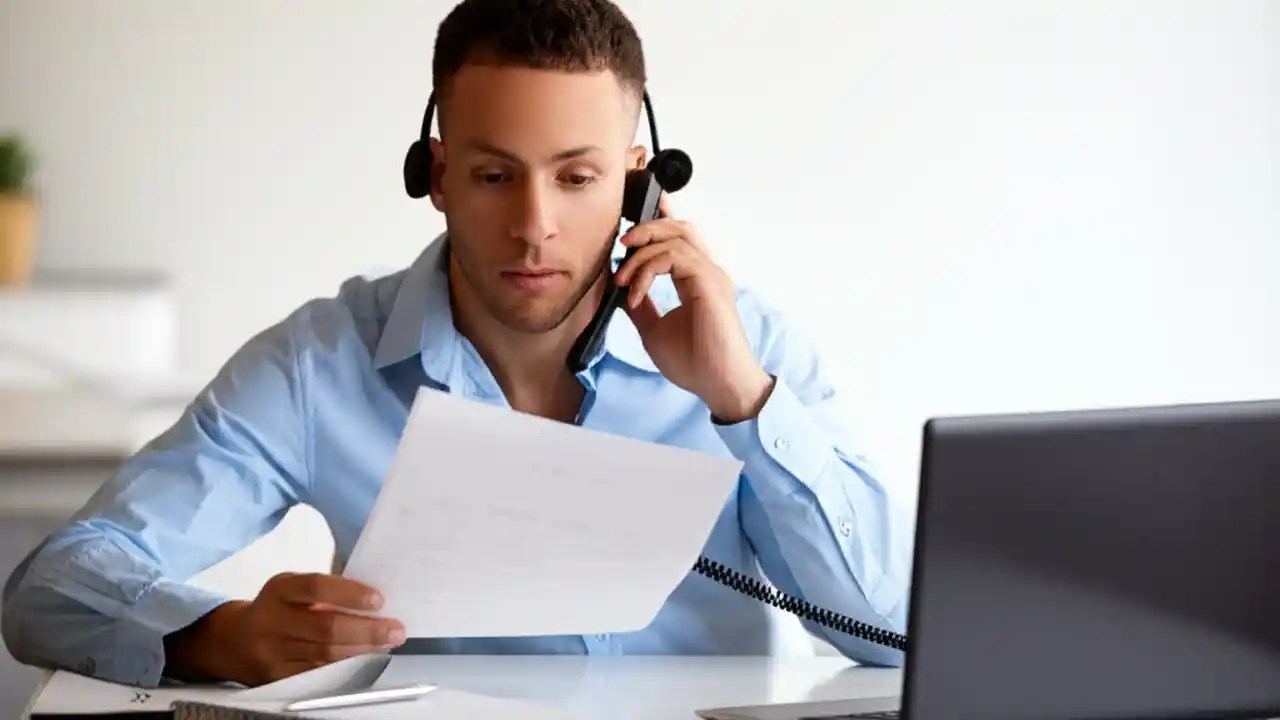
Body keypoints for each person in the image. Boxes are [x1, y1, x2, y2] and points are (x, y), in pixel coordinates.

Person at [2, 0, 913, 689]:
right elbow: (52, 589)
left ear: (640, 184)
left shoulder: (745, 346)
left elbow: (897, 631)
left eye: (579, 177)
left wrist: (742, 401)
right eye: (492, 175)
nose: (534, 227)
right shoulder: (321, 364)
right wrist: (216, 634)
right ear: (435, 175)